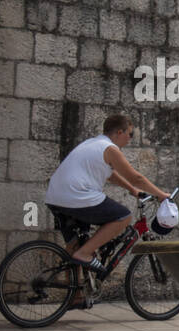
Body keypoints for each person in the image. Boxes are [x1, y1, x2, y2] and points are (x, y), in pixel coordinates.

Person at [45, 113, 172, 276]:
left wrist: (132, 190)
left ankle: (76, 297)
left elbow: (110, 174)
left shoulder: (92, 143)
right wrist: (162, 195)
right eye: (130, 134)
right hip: (76, 196)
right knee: (123, 217)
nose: (130, 139)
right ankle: (85, 253)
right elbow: (136, 178)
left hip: (55, 198)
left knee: (75, 248)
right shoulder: (110, 149)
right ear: (120, 132)